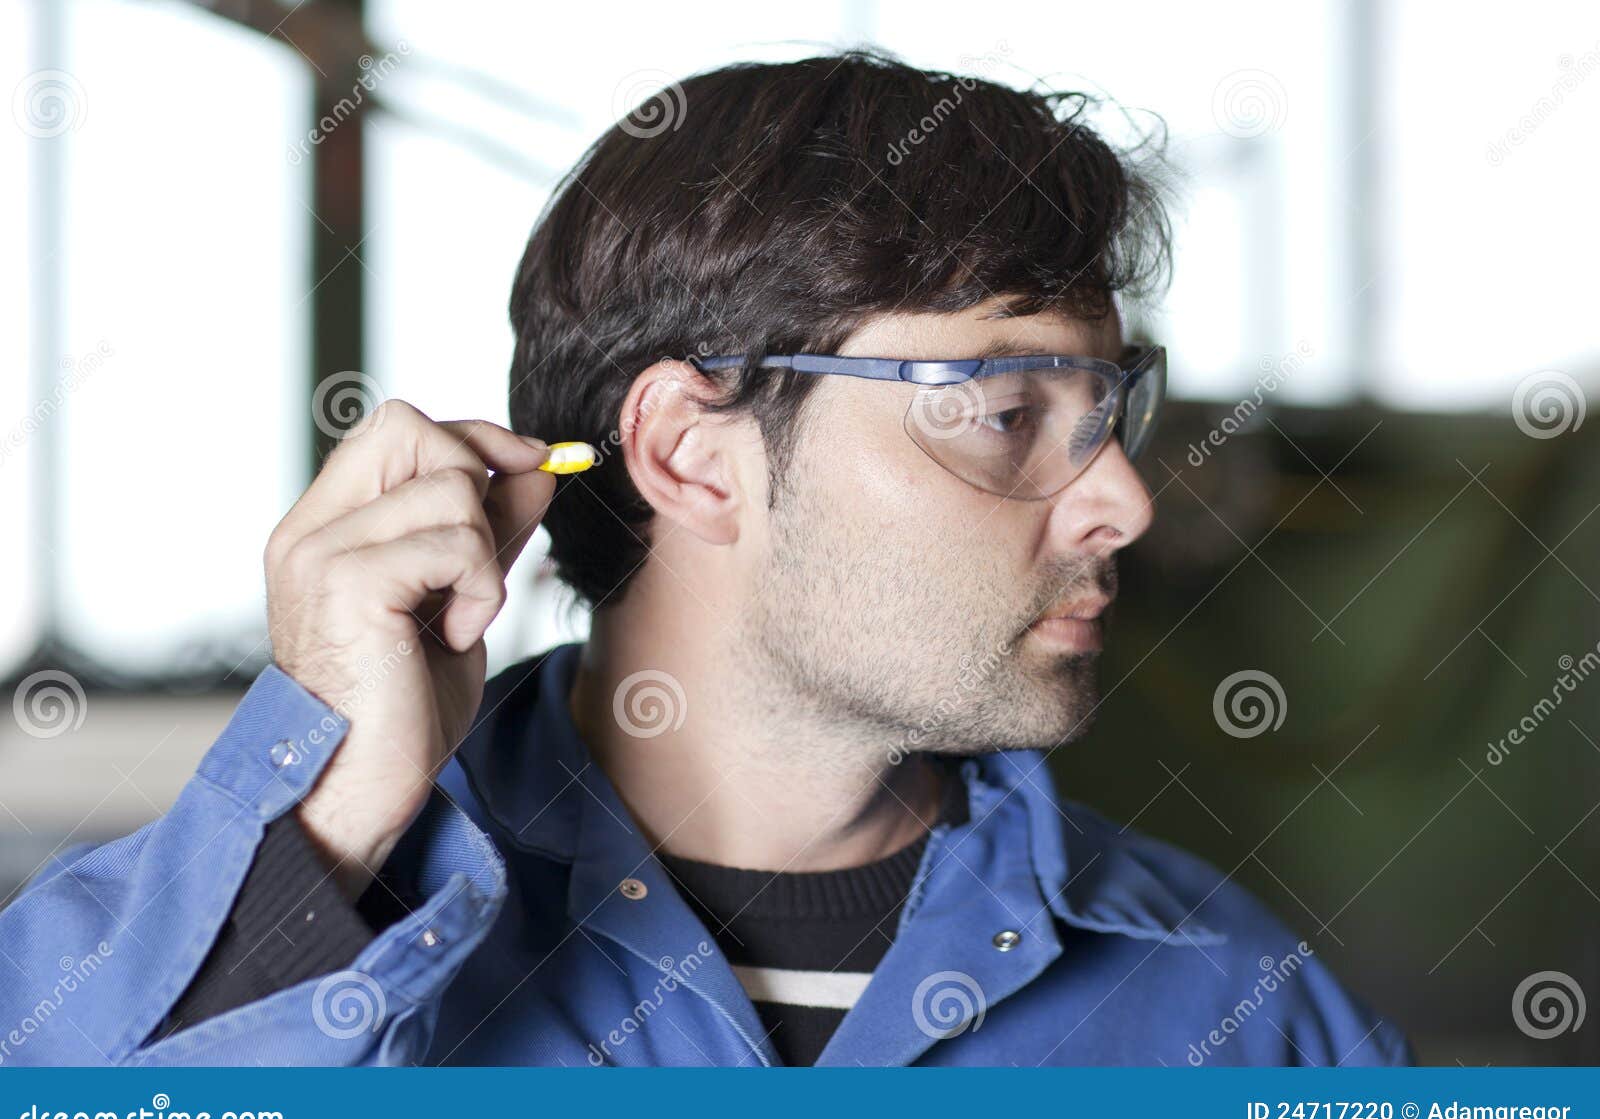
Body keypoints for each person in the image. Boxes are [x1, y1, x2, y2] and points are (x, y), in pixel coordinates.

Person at [0, 50, 1412, 1067]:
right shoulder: (113, 989)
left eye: (1108, 415)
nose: (1122, 503)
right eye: (1002, 415)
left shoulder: (1241, 1012)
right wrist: (324, 832)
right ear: (688, 451)